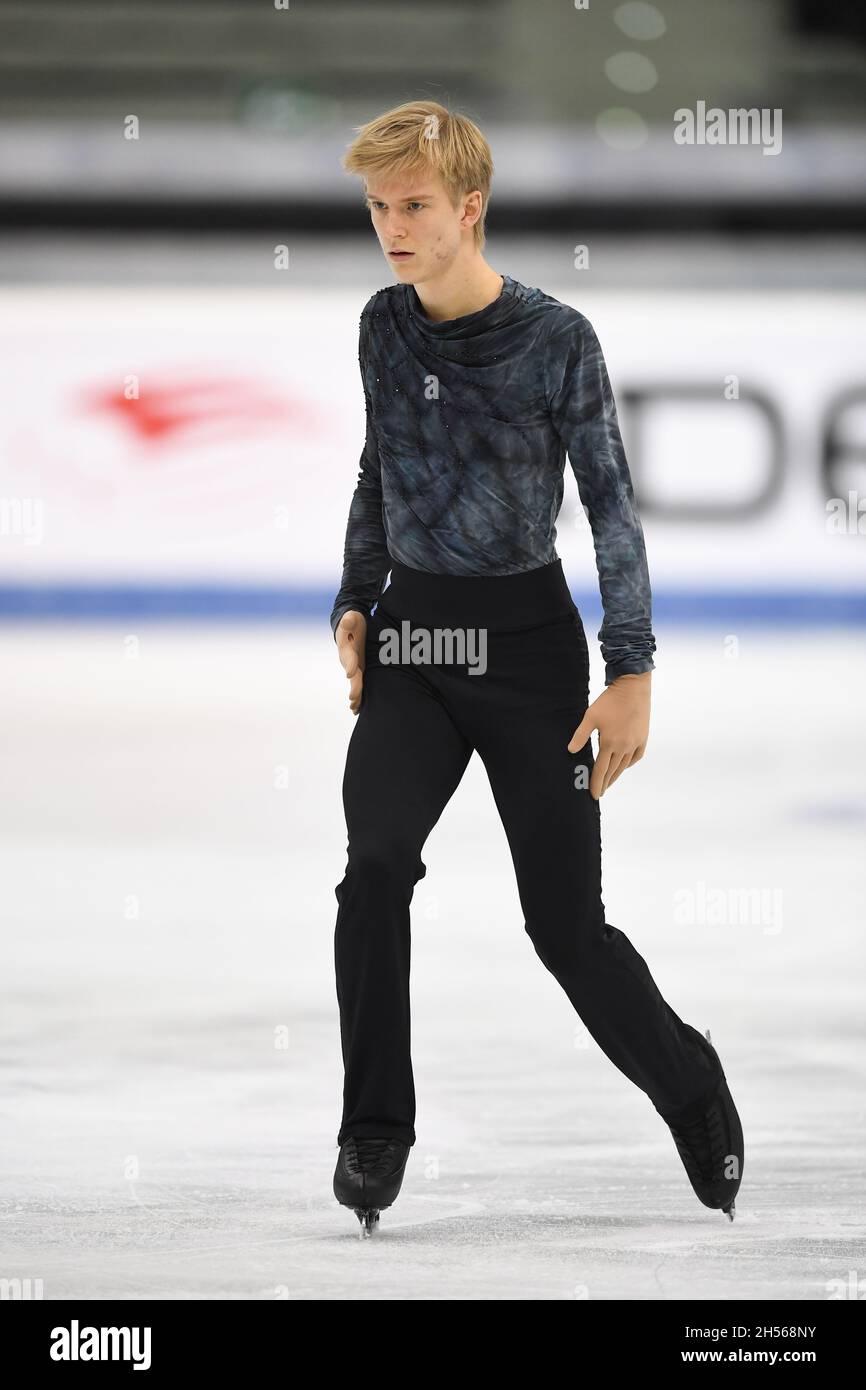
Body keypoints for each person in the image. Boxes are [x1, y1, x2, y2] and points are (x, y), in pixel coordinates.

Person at [328, 100, 743, 1237]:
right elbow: (377, 469)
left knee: (564, 930)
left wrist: (632, 670)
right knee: (373, 866)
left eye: (413, 205)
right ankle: (375, 1127)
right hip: (416, 644)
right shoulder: (380, 325)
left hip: (525, 654)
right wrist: (357, 601)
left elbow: (611, 509)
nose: (391, 226)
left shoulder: (555, 339)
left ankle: (687, 1078)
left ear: (470, 207)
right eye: (377, 206)